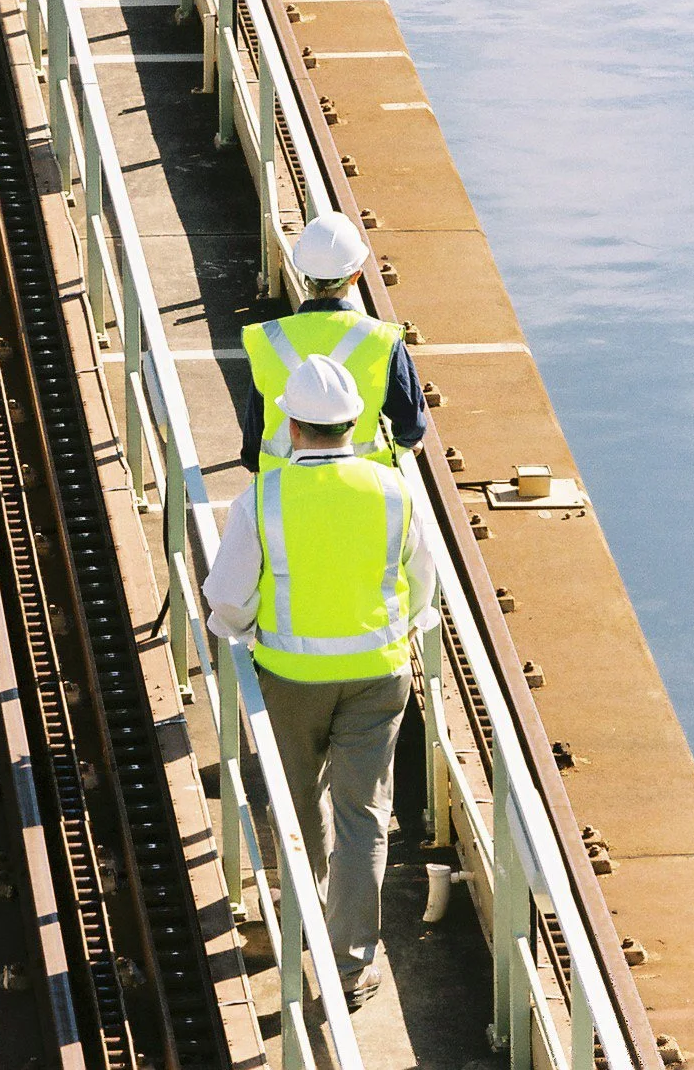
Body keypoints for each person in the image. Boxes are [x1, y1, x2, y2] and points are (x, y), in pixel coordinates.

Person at [204, 354, 437, 1010]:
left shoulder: (263, 499)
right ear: (355, 423)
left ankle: (303, 910)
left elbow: (228, 600)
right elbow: (422, 583)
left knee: (298, 800)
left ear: (291, 426)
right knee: (364, 815)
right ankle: (352, 962)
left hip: (292, 677)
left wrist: (244, 629)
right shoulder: (393, 490)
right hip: (379, 675)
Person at [240, 211, 426, 473]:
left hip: (281, 485)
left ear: (304, 274)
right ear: (356, 276)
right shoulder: (382, 340)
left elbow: (252, 443)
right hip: (363, 483)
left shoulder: (266, 338)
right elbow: (411, 426)